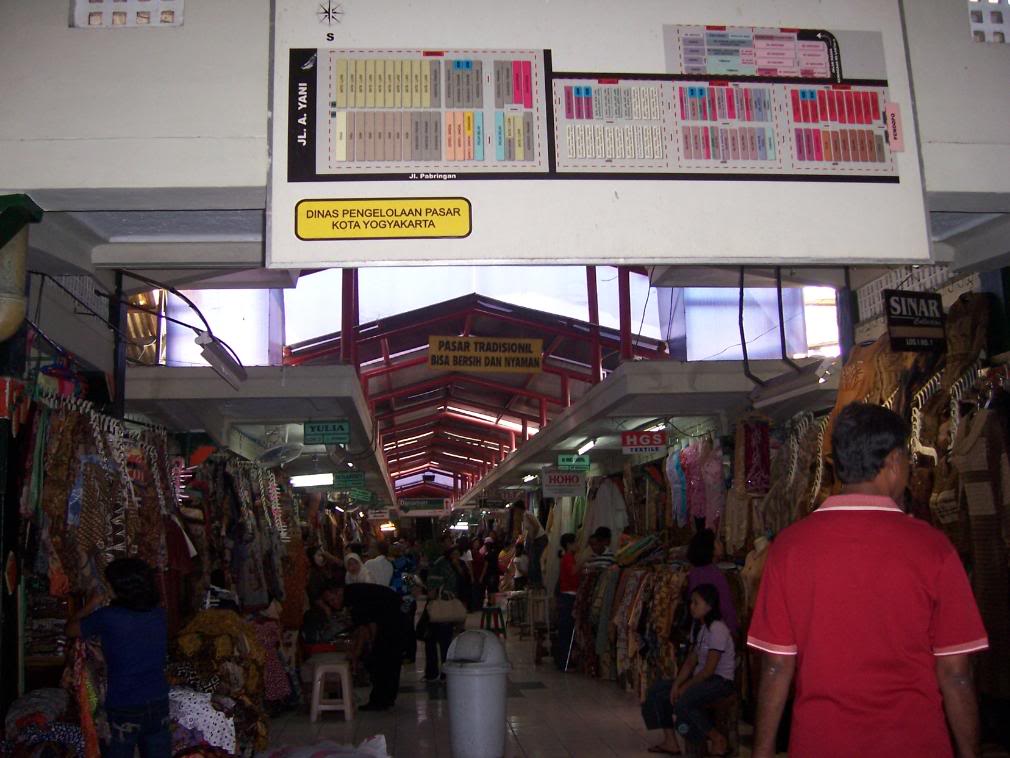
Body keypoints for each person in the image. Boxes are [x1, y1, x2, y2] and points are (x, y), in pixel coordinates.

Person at [748, 403, 989, 758]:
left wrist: (761, 752)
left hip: (822, 743)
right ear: (893, 462)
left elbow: (775, 665)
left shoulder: (789, 548)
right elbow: (955, 673)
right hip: (914, 744)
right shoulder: (933, 548)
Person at [68, 558, 170, 758]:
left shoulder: (108, 617)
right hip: (158, 700)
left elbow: (70, 629)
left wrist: (91, 604)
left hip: (125, 703)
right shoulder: (159, 614)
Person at [643, 584, 734, 756]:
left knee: (683, 701)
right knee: (656, 692)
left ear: (709, 605)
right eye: (691, 603)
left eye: (696, 603)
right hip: (704, 678)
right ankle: (670, 742)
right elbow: (691, 661)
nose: (691, 607)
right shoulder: (700, 628)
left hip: (719, 681)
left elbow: (709, 670)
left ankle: (717, 738)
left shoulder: (718, 629)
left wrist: (685, 687)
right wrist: (677, 683)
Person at [318, 579, 407, 711]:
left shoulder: (353, 596)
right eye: (329, 602)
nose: (332, 604)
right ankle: (386, 698)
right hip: (393, 618)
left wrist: (357, 653)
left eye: (332, 600)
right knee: (387, 660)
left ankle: (380, 700)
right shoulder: (353, 593)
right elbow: (366, 625)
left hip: (393, 621)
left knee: (382, 660)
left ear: (338, 592)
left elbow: (365, 628)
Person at [423, 545, 467, 682]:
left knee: (433, 641)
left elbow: (432, 589)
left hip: (439, 608)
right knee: (444, 642)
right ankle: (445, 673)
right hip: (447, 607)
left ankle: (434, 673)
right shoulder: (448, 566)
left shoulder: (439, 566)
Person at [686, 529, 739, 635]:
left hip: (699, 628)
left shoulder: (694, 572)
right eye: (717, 541)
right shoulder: (716, 575)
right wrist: (733, 629)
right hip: (716, 629)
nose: (721, 544)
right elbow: (725, 605)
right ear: (711, 548)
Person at [554, 533, 579, 671]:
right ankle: (564, 662)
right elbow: (573, 572)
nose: (577, 545)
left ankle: (564, 661)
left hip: (567, 597)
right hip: (568, 597)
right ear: (569, 544)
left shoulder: (568, 558)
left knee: (566, 630)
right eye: (575, 542)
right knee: (566, 630)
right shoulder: (568, 558)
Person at [468, 537, 486, 611]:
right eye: (475, 543)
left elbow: (484, 564)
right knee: (474, 591)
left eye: (477, 543)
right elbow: (470, 565)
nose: (476, 544)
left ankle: (479, 606)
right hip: (474, 574)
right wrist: (472, 576)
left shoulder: (480, 553)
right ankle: (474, 606)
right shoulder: (470, 553)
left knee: (480, 591)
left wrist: (482, 575)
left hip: (480, 574)